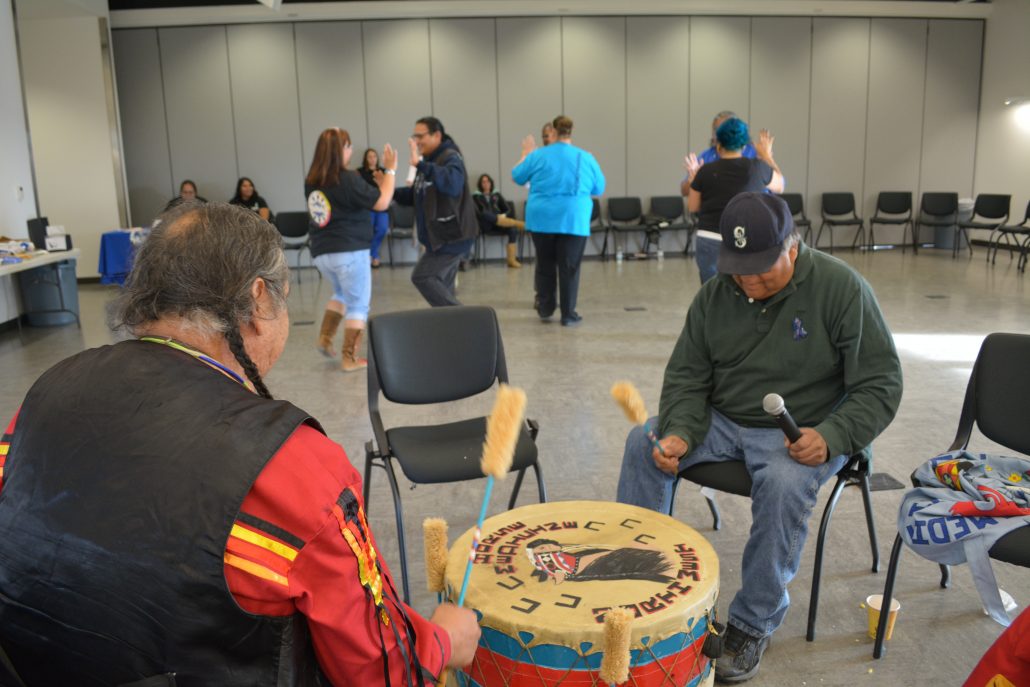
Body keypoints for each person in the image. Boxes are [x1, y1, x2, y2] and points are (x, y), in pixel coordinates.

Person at [0, 202, 480, 686]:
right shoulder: (289, 466)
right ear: (256, 302)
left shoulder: (43, 393)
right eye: (285, 298)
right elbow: (381, 671)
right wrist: (441, 640)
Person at [615, 192, 902, 684]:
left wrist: (833, 436)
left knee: (786, 485)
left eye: (762, 267)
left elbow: (880, 384)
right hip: (722, 418)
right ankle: (638, 591)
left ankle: (752, 624)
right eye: (738, 267)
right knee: (643, 445)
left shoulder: (841, 289)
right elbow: (688, 374)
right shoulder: (714, 294)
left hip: (804, 427)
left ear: (793, 246)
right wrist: (682, 431)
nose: (749, 279)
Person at [306, 128, 396, 371]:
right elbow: (382, 202)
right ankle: (350, 358)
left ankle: (325, 339)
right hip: (350, 251)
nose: (351, 150)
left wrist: (379, 184)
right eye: (348, 146)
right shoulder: (347, 178)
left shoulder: (312, 181)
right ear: (339, 151)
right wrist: (390, 171)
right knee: (358, 304)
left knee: (342, 294)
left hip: (323, 253)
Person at [512, 115, 605, 327]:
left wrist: (526, 153)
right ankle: (568, 314)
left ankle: (545, 308)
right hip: (573, 219)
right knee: (569, 267)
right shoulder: (585, 157)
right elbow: (599, 188)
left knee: (545, 264)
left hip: (542, 219)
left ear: (552, 132)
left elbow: (517, 176)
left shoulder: (538, 155)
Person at [683, 117, 784, 284]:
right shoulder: (758, 167)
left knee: (712, 293)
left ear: (718, 144)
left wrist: (695, 179)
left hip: (710, 238)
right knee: (746, 293)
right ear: (744, 146)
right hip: (746, 237)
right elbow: (780, 186)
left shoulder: (705, 171)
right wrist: (767, 156)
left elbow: (693, 206)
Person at [393, 116, 479, 307]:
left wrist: (422, 165)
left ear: (437, 135)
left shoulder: (450, 156)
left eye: (420, 136)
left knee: (423, 277)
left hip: (452, 236)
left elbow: (453, 183)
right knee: (443, 290)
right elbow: (416, 194)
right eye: (414, 136)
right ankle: (450, 330)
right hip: (440, 237)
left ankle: (465, 320)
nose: (416, 141)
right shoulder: (429, 161)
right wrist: (388, 190)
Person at [473, 173, 525, 269]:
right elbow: (479, 213)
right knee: (485, 214)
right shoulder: (476, 196)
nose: (486, 184)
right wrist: (496, 217)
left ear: (491, 183)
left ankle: (511, 260)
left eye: (487, 181)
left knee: (513, 230)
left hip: (499, 224)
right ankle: (519, 223)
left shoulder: (497, 195)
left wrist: (503, 215)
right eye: (483, 182)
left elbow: (507, 209)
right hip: (486, 225)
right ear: (480, 184)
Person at [359, 148, 391, 268]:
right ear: (366, 159)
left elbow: (388, 189)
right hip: (367, 207)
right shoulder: (360, 172)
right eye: (369, 157)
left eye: (374, 156)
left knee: (382, 229)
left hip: (382, 207)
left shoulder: (383, 172)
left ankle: (371, 254)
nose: (372, 159)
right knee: (367, 232)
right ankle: (374, 257)